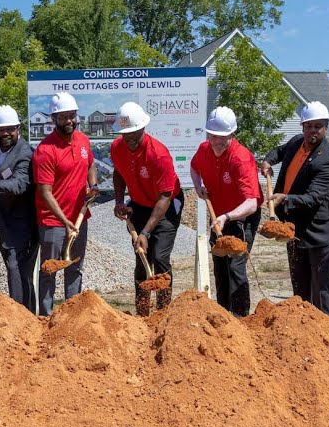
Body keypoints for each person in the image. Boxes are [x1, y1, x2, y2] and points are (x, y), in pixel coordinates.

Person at [268, 101, 329, 316]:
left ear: (326, 128)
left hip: (320, 231)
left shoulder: (327, 160)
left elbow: (313, 198)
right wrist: (267, 161)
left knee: (321, 288)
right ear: (302, 127)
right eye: (308, 126)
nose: (312, 131)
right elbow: (279, 151)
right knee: (299, 285)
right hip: (295, 228)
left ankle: (326, 329)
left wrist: (284, 198)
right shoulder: (296, 142)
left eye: (317, 126)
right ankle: (302, 328)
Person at [110, 101, 183, 316]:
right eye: (125, 133)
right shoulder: (117, 147)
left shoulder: (158, 155)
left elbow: (164, 198)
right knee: (142, 256)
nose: (129, 138)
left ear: (143, 127)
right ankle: (142, 313)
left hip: (167, 205)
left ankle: (163, 312)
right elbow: (119, 173)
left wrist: (145, 232)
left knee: (159, 256)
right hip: (140, 204)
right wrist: (119, 201)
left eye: (133, 132)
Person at [190, 106, 261, 317]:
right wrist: (198, 187)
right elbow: (194, 168)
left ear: (232, 134)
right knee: (220, 264)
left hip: (241, 217)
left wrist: (228, 216)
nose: (218, 142)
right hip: (218, 216)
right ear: (208, 134)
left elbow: (252, 203)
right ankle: (223, 313)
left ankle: (240, 317)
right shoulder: (204, 150)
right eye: (213, 136)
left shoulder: (241, 159)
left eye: (223, 137)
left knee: (235, 266)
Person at [34, 91, 97, 316]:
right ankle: (46, 315)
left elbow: (90, 163)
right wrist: (64, 221)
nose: (69, 120)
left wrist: (94, 185)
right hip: (53, 221)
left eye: (72, 115)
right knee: (50, 269)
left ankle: (72, 315)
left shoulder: (82, 140)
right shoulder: (45, 150)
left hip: (79, 218)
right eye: (63, 117)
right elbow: (45, 192)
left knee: (75, 267)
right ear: (53, 119)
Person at [0, 105, 37, 312]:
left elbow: (19, 183)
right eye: (0, 129)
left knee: (17, 269)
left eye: (9, 129)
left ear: (18, 128)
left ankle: (21, 315)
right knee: (17, 270)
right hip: (4, 221)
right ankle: (27, 314)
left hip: (23, 224)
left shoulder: (26, 153)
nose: (5, 133)